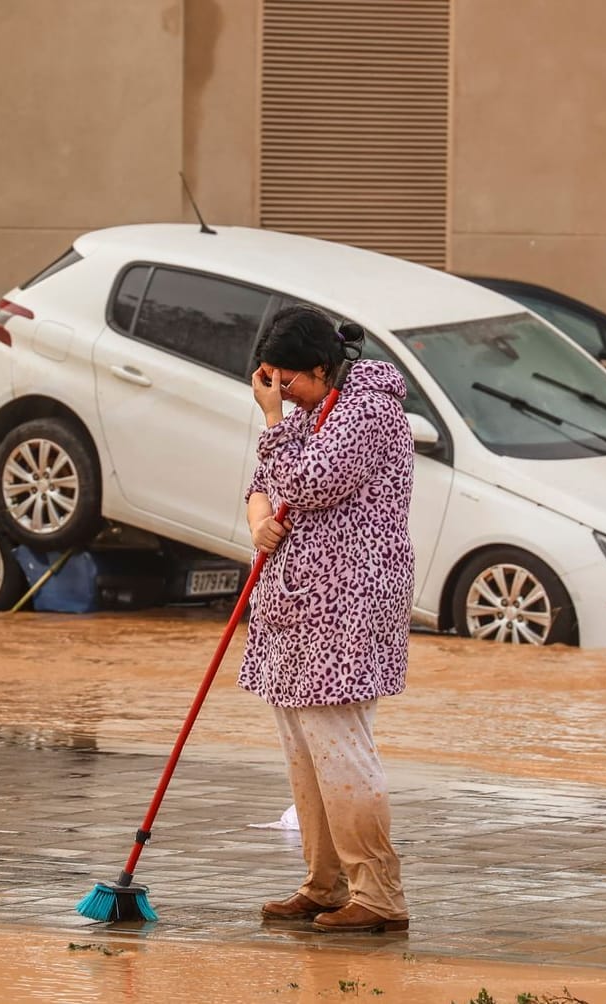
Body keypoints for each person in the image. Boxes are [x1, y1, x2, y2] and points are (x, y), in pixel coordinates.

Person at [241, 304, 414, 934]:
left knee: (340, 749)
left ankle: (379, 893)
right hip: (292, 607)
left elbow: (311, 481)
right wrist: (259, 517)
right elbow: (266, 479)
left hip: (348, 605)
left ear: (322, 366)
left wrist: (272, 419)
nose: (281, 394)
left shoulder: (369, 410)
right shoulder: (315, 412)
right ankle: (324, 882)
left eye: (289, 381)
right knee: (304, 752)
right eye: (270, 382)